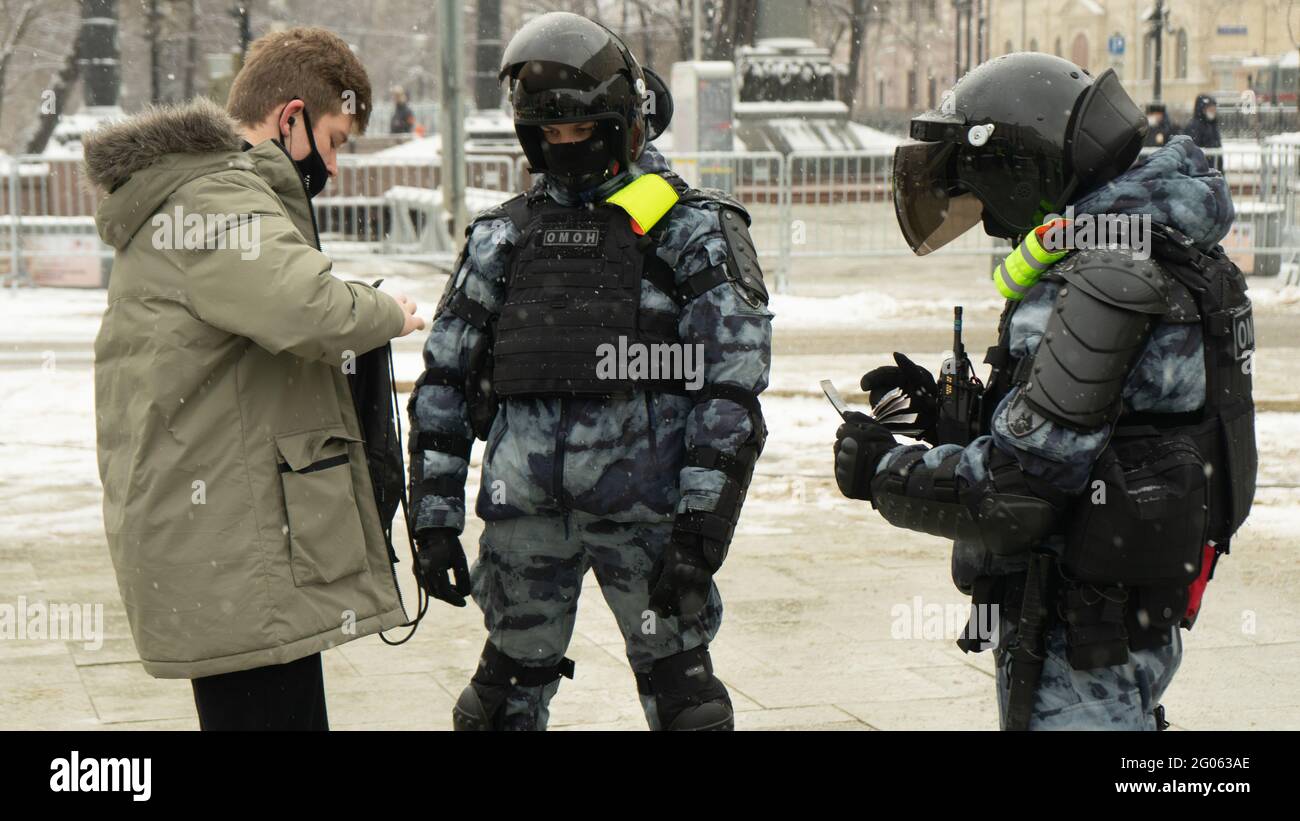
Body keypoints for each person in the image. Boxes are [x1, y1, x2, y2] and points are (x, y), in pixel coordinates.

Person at [834, 53, 1255, 730]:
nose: (996, 226)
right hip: (1120, 622)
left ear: (1022, 166)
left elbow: (1017, 490)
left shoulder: (1104, 279)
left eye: (983, 187)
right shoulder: (1159, 247)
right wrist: (949, 415)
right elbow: (1110, 431)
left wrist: (882, 468)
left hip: (1079, 638)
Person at [407, 11, 772, 731]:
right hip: (524, 519)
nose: (565, 147)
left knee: (687, 704)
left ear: (623, 123)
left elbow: (730, 393)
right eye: (551, 134)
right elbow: (444, 381)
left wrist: (701, 533)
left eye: (580, 130)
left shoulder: (689, 229)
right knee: (495, 706)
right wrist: (433, 520)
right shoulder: (503, 235)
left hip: (649, 518)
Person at [86, 27, 425, 731]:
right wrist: (391, 312)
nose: (332, 165)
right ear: (289, 118)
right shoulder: (218, 199)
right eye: (332, 140)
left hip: (227, 535)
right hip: (236, 549)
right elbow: (308, 305)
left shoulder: (200, 194)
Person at [1182, 94, 1223, 171]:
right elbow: (1192, 149)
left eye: (1214, 109)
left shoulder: (1213, 125)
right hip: (1201, 170)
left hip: (1213, 168)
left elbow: (1217, 147)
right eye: (1210, 109)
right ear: (1202, 109)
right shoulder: (1194, 126)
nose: (1213, 112)